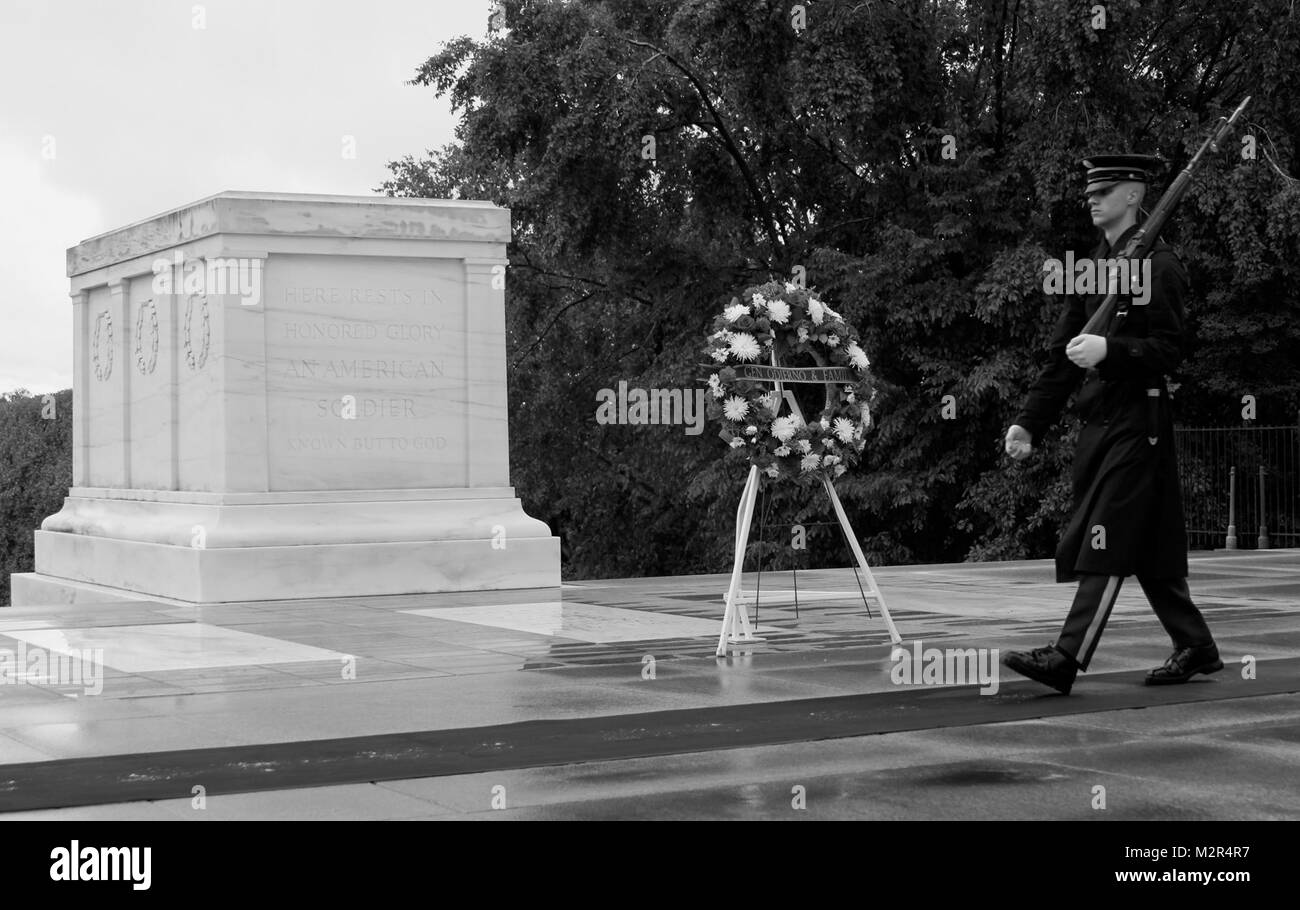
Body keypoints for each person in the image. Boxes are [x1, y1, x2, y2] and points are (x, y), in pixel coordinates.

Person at [999, 154, 1222, 695]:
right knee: (1143, 543)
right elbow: (1062, 355)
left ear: (1133, 195)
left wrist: (1112, 351)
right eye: (1091, 191)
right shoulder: (1094, 268)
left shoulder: (1161, 265)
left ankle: (1066, 656)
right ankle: (1195, 644)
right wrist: (1029, 422)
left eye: (1106, 189)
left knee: (1107, 535)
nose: (1093, 198)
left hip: (1139, 419)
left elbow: (1170, 350)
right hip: (1100, 421)